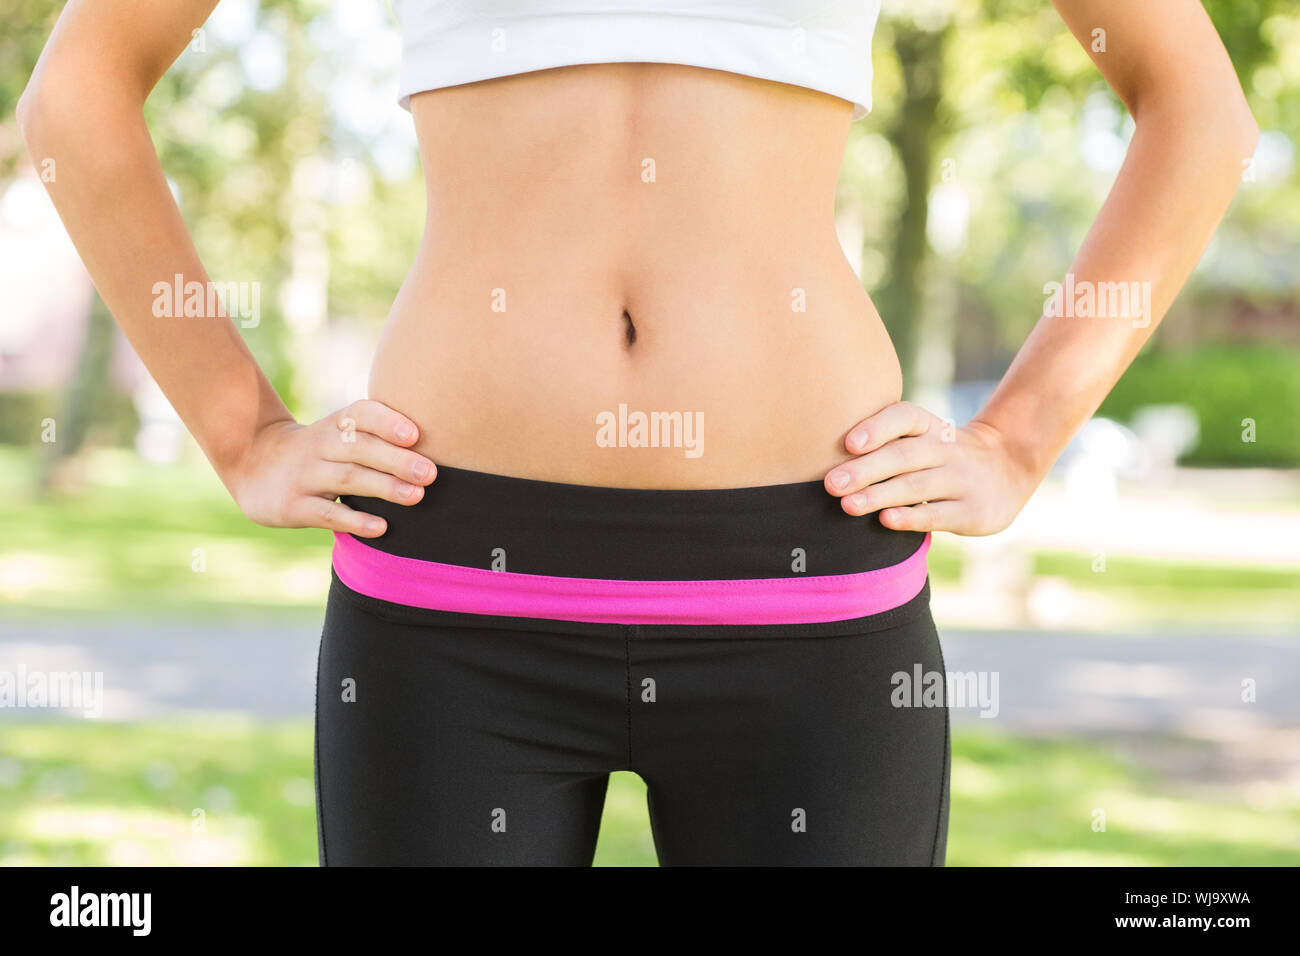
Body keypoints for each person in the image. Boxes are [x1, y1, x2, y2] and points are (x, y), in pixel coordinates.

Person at [18, 0, 1257, 865]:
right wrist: (243, 430)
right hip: (453, 591)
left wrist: (1022, 436)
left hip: (809, 586)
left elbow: (1197, 108)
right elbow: (77, 96)